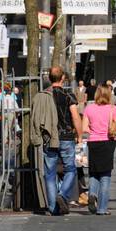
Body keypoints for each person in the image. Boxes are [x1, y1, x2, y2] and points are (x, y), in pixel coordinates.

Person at [32, 67, 83, 216]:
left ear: (49, 78)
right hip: (66, 137)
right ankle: (63, 194)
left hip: (49, 138)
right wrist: (79, 135)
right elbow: (75, 116)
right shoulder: (68, 94)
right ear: (63, 78)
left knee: (49, 173)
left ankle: (53, 208)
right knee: (71, 169)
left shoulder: (43, 95)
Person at [82, 84, 116, 215]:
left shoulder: (89, 108)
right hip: (107, 143)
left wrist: (94, 129)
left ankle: (92, 194)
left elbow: (84, 128)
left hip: (93, 143)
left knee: (94, 173)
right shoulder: (113, 109)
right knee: (105, 175)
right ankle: (102, 208)